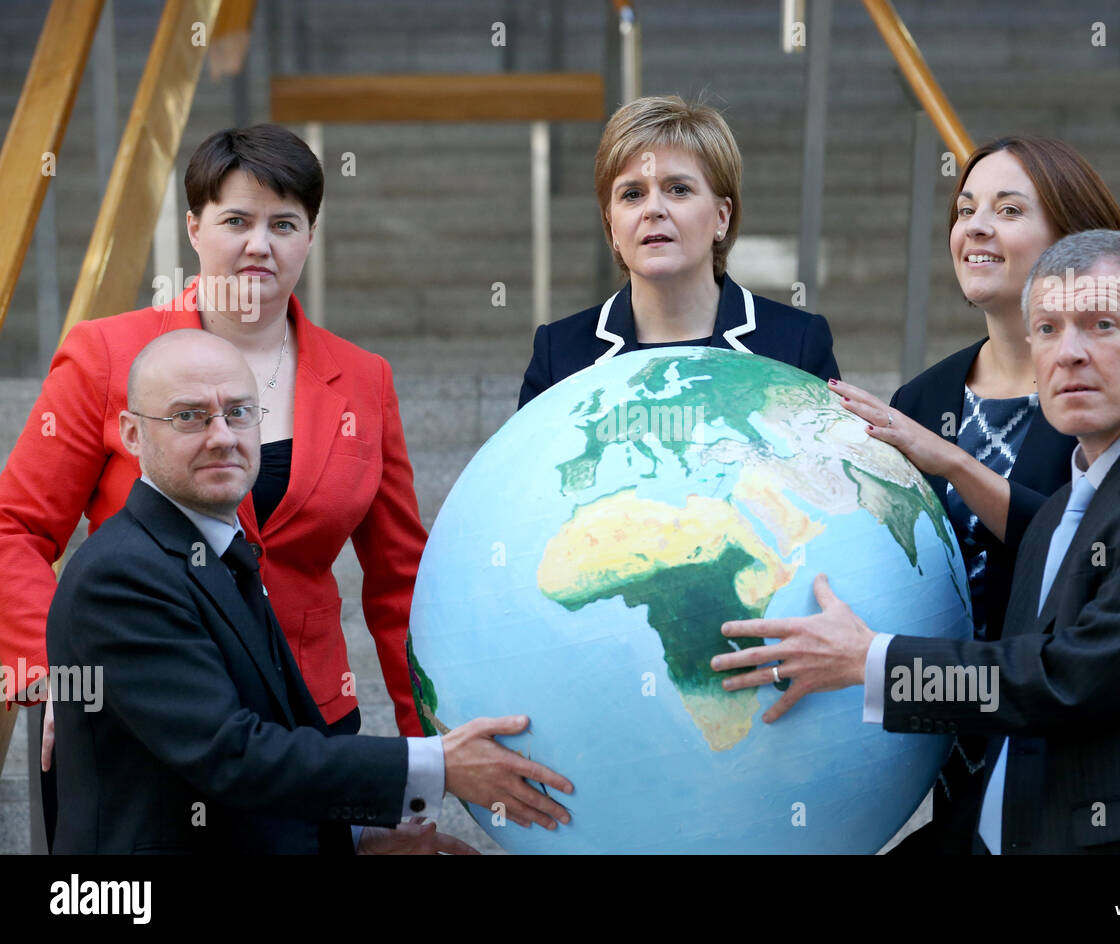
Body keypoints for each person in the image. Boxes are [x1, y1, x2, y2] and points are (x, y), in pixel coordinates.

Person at [713, 231, 1120, 854]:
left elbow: (1075, 681)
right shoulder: (1058, 514)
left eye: (1100, 325)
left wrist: (870, 661)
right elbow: (1022, 738)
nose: (1069, 353)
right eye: (1047, 329)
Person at [0, 125, 490, 841]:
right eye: (237, 220)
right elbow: (14, 528)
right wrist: (56, 676)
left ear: (310, 237)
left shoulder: (362, 379)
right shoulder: (107, 356)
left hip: (311, 727)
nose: (260, 244)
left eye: (284, 223)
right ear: (194, 228)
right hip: (146, 717)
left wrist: (423, 768)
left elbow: (400, 586)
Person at [46, 331, 574, 853]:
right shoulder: (121, 576)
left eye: (239, 412)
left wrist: (360, 838)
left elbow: (257, 774)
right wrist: (438, 765)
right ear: (132, 435)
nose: (222, 436)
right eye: (189, 416)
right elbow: (233, 756)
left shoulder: (221, 550)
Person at [825, 136, 1120, 853]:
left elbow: (1111, 554)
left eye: (1007, 209)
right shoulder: (925, 395)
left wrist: (955, 465)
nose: (975, 227)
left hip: (1067, 748)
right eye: (965, 209)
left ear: (1070, 240)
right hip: (954, 751)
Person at [518, 95, 838, 408]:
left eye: (678, 190)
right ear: (612, 226)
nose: (653, 209)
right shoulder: (558, 353)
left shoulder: (797, 343)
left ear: (722, 217)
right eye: (632, 194)